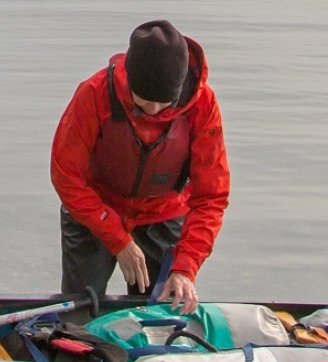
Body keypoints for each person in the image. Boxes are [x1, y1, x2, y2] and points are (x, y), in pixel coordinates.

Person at [51, 20, 230, 315]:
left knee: (163, 308)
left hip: (163, 212)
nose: (154, 114)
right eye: (144, 104)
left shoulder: (203, 106)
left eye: (165, 105)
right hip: (95, 208)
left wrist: (186, 265)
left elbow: (211, 196)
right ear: (130, 82)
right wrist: (117, 239)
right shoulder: (94, 93)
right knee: (79, 309)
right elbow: (66, 175)